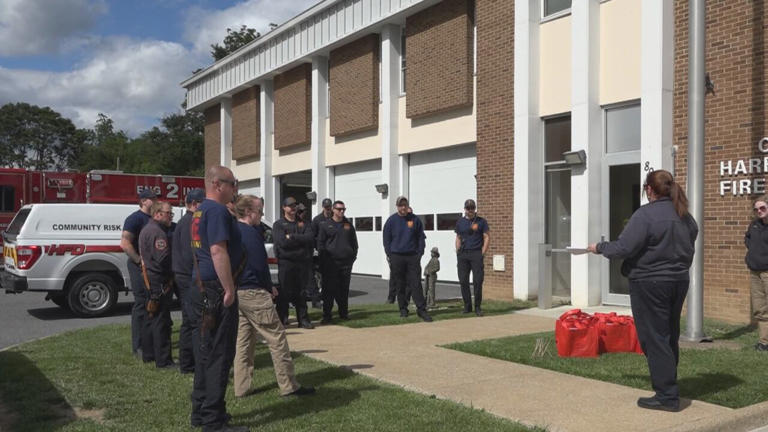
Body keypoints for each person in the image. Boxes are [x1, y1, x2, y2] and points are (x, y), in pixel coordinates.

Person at [587, 169, 697, 413]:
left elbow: (624, 247)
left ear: (649, 189)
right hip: (678, 281)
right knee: (668, 335)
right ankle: (669, 386)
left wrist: (599, 247)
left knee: (655, 338)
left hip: (650, 284)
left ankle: (667, 395)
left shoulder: (645, 215)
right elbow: (692, 237)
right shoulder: (684, 216)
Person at [232, 195, 316, 398]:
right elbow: (259, 263)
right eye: (260, 210)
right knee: (277, 337)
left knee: (244, 341)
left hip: (240, 291)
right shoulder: (251, 233)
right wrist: (268, 287)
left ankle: (241, 387)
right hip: (254, 292)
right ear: (249, 212)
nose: (261, 214)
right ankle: (289, 385)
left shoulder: (234, 230)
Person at [188, 166, 247, 432]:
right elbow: (217, 251)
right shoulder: (217, 211)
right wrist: (229, 289)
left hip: (202, 288)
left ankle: (201, 412)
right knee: (220, 355)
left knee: (206, 353)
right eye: (232, 183)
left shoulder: (200, 211)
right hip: (215, 289)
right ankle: (212, 420)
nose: (235, 188)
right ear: (217, 184)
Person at [382, 196, 433, 322]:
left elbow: (421, 238)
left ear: (407, 206)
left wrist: (419, 253)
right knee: (400, 284)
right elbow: (386, 239)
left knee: (415, 283)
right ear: (397, 206)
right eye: (400, 205)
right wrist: (390, 254)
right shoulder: (391, 221)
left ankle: (421, 310)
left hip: (412, 257)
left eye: (405, 205)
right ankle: (403, 309)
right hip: (397, 256)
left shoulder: (414, 220)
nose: (403, 207)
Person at [138, 200, 176, 368]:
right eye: (168, 213)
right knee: (161, 320)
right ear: (157, 214)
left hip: (150, 279)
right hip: (158, 280)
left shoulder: (147, 229)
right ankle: (163, 360)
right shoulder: (157, 233)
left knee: (150, 317)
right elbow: (163, 259)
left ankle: (149, 354)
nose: (170, 217)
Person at [120, 188, 157, 358]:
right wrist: (138, 260)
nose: (155, 200)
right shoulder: (135, 219)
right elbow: (125, 243)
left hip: (153, 268)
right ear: (143, 201)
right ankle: (138, 345)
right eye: (152, 198)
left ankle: (151, 341)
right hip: (138, 267)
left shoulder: (155, 219)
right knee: (141, 304)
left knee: (152, 303)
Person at [172, 188, 205, 374]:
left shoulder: (186, 222)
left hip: (185, 275)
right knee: (191, 321)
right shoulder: (189, 223)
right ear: (193, 204)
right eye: (202, 203)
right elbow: (190, 253)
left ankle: (188, 362)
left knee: (190, 319)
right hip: (187, 276)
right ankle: (188, 363)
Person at [273, 197, 315, 329]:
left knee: (301, 292)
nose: (293, 208)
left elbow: (309, 238)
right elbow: (282, 243)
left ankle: (303, 319)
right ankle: (282, 318)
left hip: (301, 262)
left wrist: (292, 237)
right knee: (284, 292)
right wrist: (298, 241)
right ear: (284, 208)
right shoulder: (279, 224)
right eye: (290, 206)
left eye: (294, 206)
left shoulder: (303, 223)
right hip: (286, 262)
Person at [317, 200, 358, 323]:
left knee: (343, 290)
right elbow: (320, 244)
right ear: (333, 210)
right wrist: (324, 260)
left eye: (343, 209)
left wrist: (352, 257)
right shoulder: (325, 225)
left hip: (346, 263)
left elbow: (354, 244)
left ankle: (343, 313)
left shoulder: (348, 225)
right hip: (330, 263)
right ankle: (327, 315)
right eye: (339, 209)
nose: (341, 211)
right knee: (328, 290)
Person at [455, 199, 490, 316]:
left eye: (472, 208)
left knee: (477, 281)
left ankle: (478, 307)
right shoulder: (460, 222)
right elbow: (458, 237)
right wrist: (458, 251)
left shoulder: (481, 221)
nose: (470, 210)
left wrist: (482, 252)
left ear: (475, 209)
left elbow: (486, 237)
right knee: (463, 280)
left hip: (476, 253)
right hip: (463, 254)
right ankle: (467, 306)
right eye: (468, 208)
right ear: (465, 209)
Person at [744, 196, 768, 352]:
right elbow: (747, 239)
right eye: (756, 209)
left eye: (763, 208)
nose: (759, 211)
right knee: (760, 309)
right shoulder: (754, 225)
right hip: (755, 272)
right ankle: (764, 342)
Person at [310, 198, 334, 308]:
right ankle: (318, 299)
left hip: (332, 252)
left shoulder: (336, 217)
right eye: (326, 207)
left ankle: (327, 298)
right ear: (323, 207)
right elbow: (313, 235)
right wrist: (315, 248)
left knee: (329, 278)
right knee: (319, 277)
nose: (328, 209)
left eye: (329, 207)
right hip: (320, 252)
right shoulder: (317, 220)